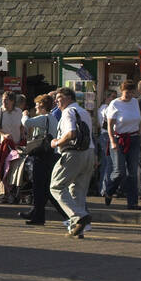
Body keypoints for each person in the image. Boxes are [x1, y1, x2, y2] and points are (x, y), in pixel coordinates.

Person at [50, 87, 94, 238]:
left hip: (72, 153)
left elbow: (71, 133)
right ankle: (78, 229)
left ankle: (79, 217)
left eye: (59, 97)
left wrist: (56, 143)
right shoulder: (84, 112)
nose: (56, 100)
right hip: (89, 153)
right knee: (78, 192)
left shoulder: (68, 111)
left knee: (56, 186)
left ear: (69, 97)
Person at [20, 92, 67, 225]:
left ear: (42, 106)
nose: (35, 109)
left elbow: (27, 123)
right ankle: (37, 215)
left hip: (42, 156)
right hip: (50, 155)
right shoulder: (52, 118)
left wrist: (24, 115)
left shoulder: (44, 117)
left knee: (41, 188)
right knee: (43, 188)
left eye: (36, 106)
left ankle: (67, 215)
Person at [103, 80, 141, 209]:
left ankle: (132, 203)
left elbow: (138, 119)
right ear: (122, 91)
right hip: (119, 139)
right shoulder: (115, 103)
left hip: (134, 138)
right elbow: (109, 125)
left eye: (132, 92)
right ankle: (109, 191)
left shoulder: (135, 102)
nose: (129, 95)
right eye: (127, 93)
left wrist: (140, 132)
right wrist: (112, 141)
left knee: (132, 172)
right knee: (119, 171)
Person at [0, 90, 24, 202]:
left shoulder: (19, 112)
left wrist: (24, 136)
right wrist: (3, 134)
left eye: (7, 100)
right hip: (2, 145)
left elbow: (21, 126)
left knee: (13, 169)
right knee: (2, 169)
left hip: (15, 145)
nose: (4, 102)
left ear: (13, 101)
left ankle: (12, 192)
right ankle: (3, 194)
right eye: (3, 100)